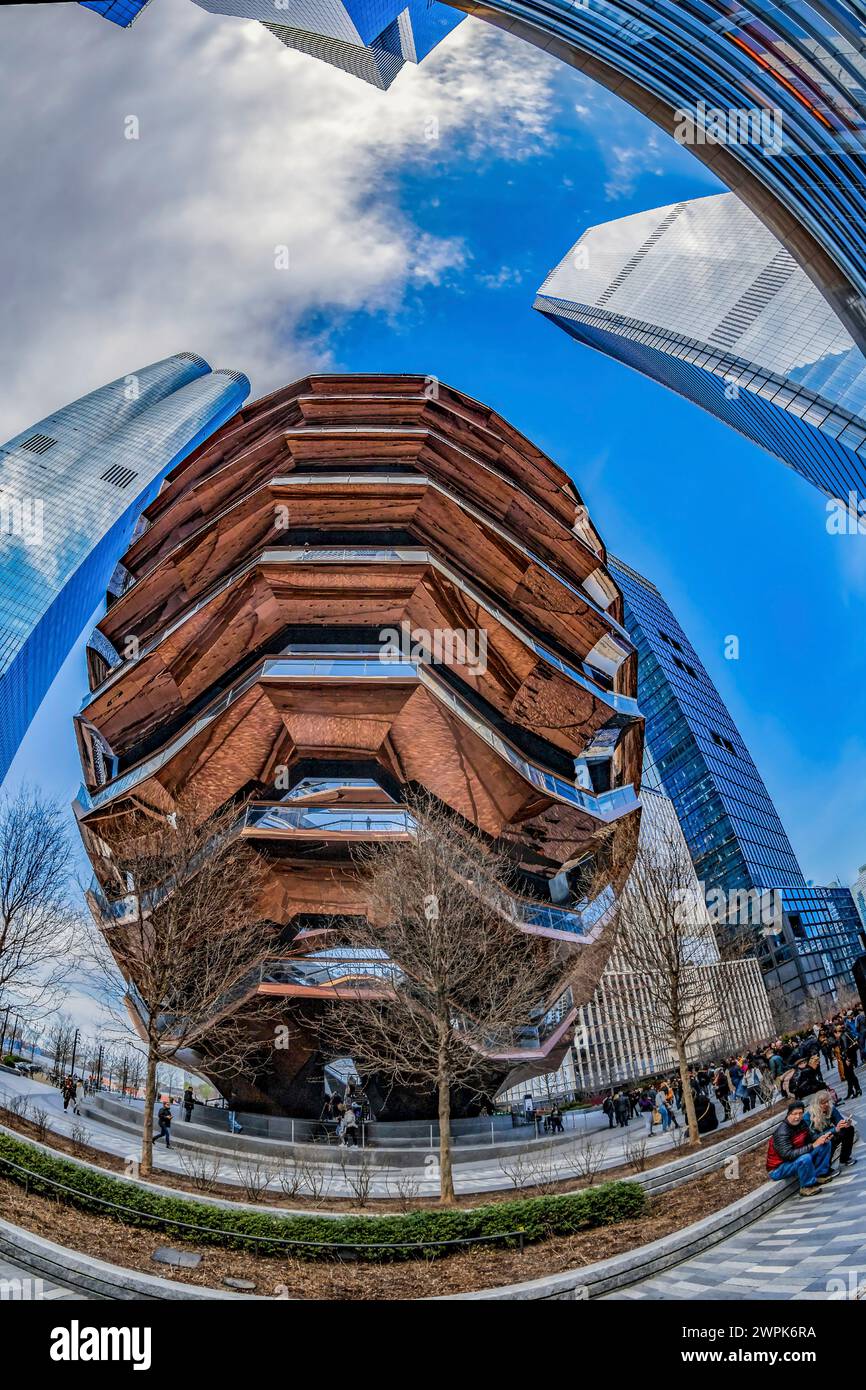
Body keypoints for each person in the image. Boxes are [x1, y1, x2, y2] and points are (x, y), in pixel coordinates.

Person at [766, 1100, 834, 1197]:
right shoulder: (782, 1132)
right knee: (805, 1158)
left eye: (800, 1113)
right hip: (778, 1168)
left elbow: (812, 1138)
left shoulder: (802, 1123)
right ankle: (806, 1187)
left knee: (825, 1144)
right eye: (795, 1114)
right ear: (789, 1114)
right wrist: (812, 1145)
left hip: (794, 1160)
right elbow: (787, 1155)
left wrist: (822, 1138)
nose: (798, 1116)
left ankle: (819, 1174)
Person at [804, 1089, 857, 1169]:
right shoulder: (808, 1117)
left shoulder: (830, 1108)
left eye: (827, 1101)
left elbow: (839, 1122)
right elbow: (814, 1137)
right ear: (817, 1104)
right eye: (823, 1103)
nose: (826, 1104)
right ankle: (826, 1167)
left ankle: (844, 1158)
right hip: (817, 1141)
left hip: (830, 1133)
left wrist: (845, 1124)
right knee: (827, 1140)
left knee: (848, 1129)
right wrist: (834, 1130)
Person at [840, 1035, 863, 1100]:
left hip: (848, 1058)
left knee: (851, 1075)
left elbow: (845, 1048)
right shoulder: (844, 1035)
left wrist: (848, 1059)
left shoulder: (843, 1037)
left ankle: (857, 1089)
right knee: (848, 1075)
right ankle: (851, 1091)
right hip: (848, 1058)